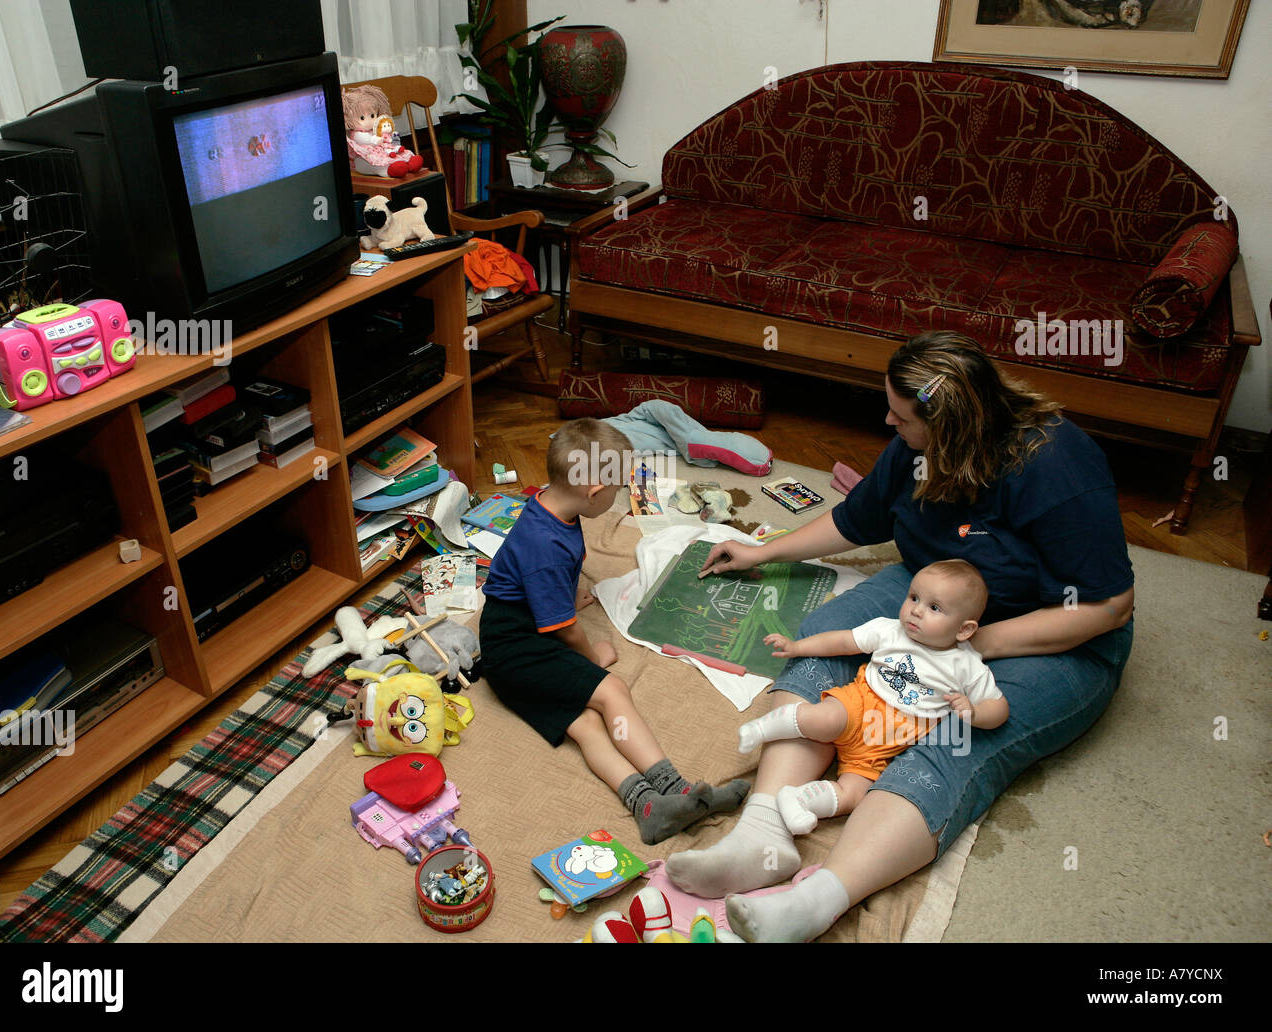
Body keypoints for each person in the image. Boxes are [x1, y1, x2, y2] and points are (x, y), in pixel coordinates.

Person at [667, 331, 1135, 941]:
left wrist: (972, 649)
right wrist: (763, 550)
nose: (888, 420)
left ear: (955, 426)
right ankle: (760, 837)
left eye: (902, 415)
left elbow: (1109, 606)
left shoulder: (1059, 466)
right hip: (938, 593)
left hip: (1054, 634)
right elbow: (856, 518)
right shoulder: (913, 448)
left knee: (959, 737)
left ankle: (816, 903)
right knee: (828, 636)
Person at [479, 418, 748, 844]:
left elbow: (541, 578)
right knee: (611, 691)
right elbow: (565, 630)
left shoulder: (550, 509)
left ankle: (649, 807)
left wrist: (564, 595)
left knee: (585, 724)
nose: (621, 495)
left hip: (509, 644)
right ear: (594, 492)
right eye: (619, 488)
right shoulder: (545, 546)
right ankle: (678, 789)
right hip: (517, 646)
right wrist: (593, 659)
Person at [740, 559, 1007, 835]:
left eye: (934, 608)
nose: (915, 610)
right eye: (914, 597)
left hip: (881, 746)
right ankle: (762, 728)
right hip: (859, 704)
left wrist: (974, 713)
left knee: (855, 795)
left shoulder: (967, 665)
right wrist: (797, 647)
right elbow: (843, 642)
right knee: (825, 719)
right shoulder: (890, 630)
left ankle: (798, 800)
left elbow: (999, 709)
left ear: (964, 629)